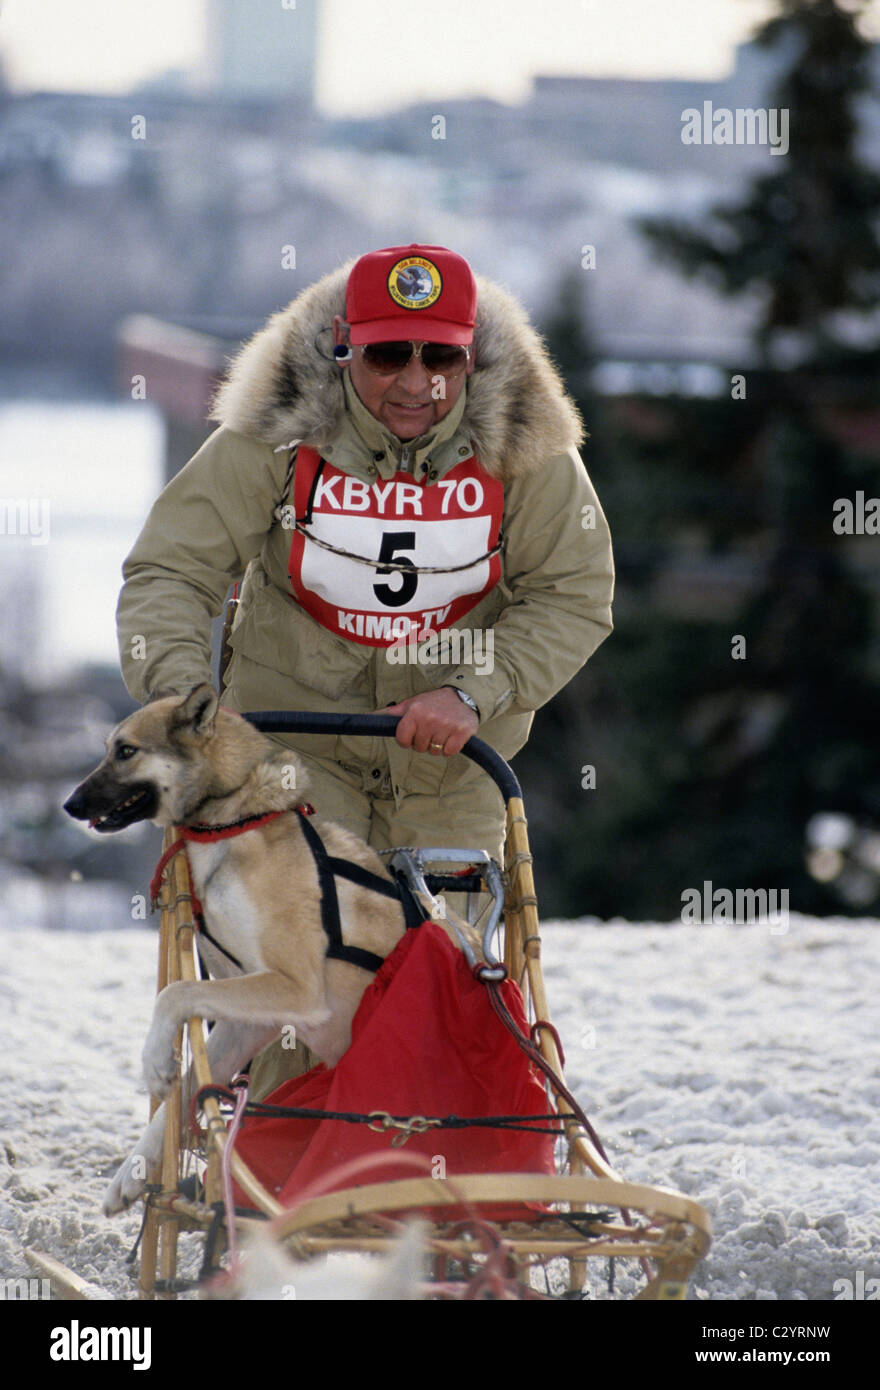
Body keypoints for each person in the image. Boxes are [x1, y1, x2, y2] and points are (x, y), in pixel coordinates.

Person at [116, 242, 614, 1093]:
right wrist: (176, 702)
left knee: (433, 973)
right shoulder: (274, 436)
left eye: (441, 357)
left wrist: (474, 689)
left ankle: (426, 1157)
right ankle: (275, 1157)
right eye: (388, 355)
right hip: (286, 747)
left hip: (451, 756)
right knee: (300, 955)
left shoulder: (526, 451)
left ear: (471, 354)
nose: (416, 382)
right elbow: (170, 569)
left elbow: (575, 593)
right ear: (345, 348)